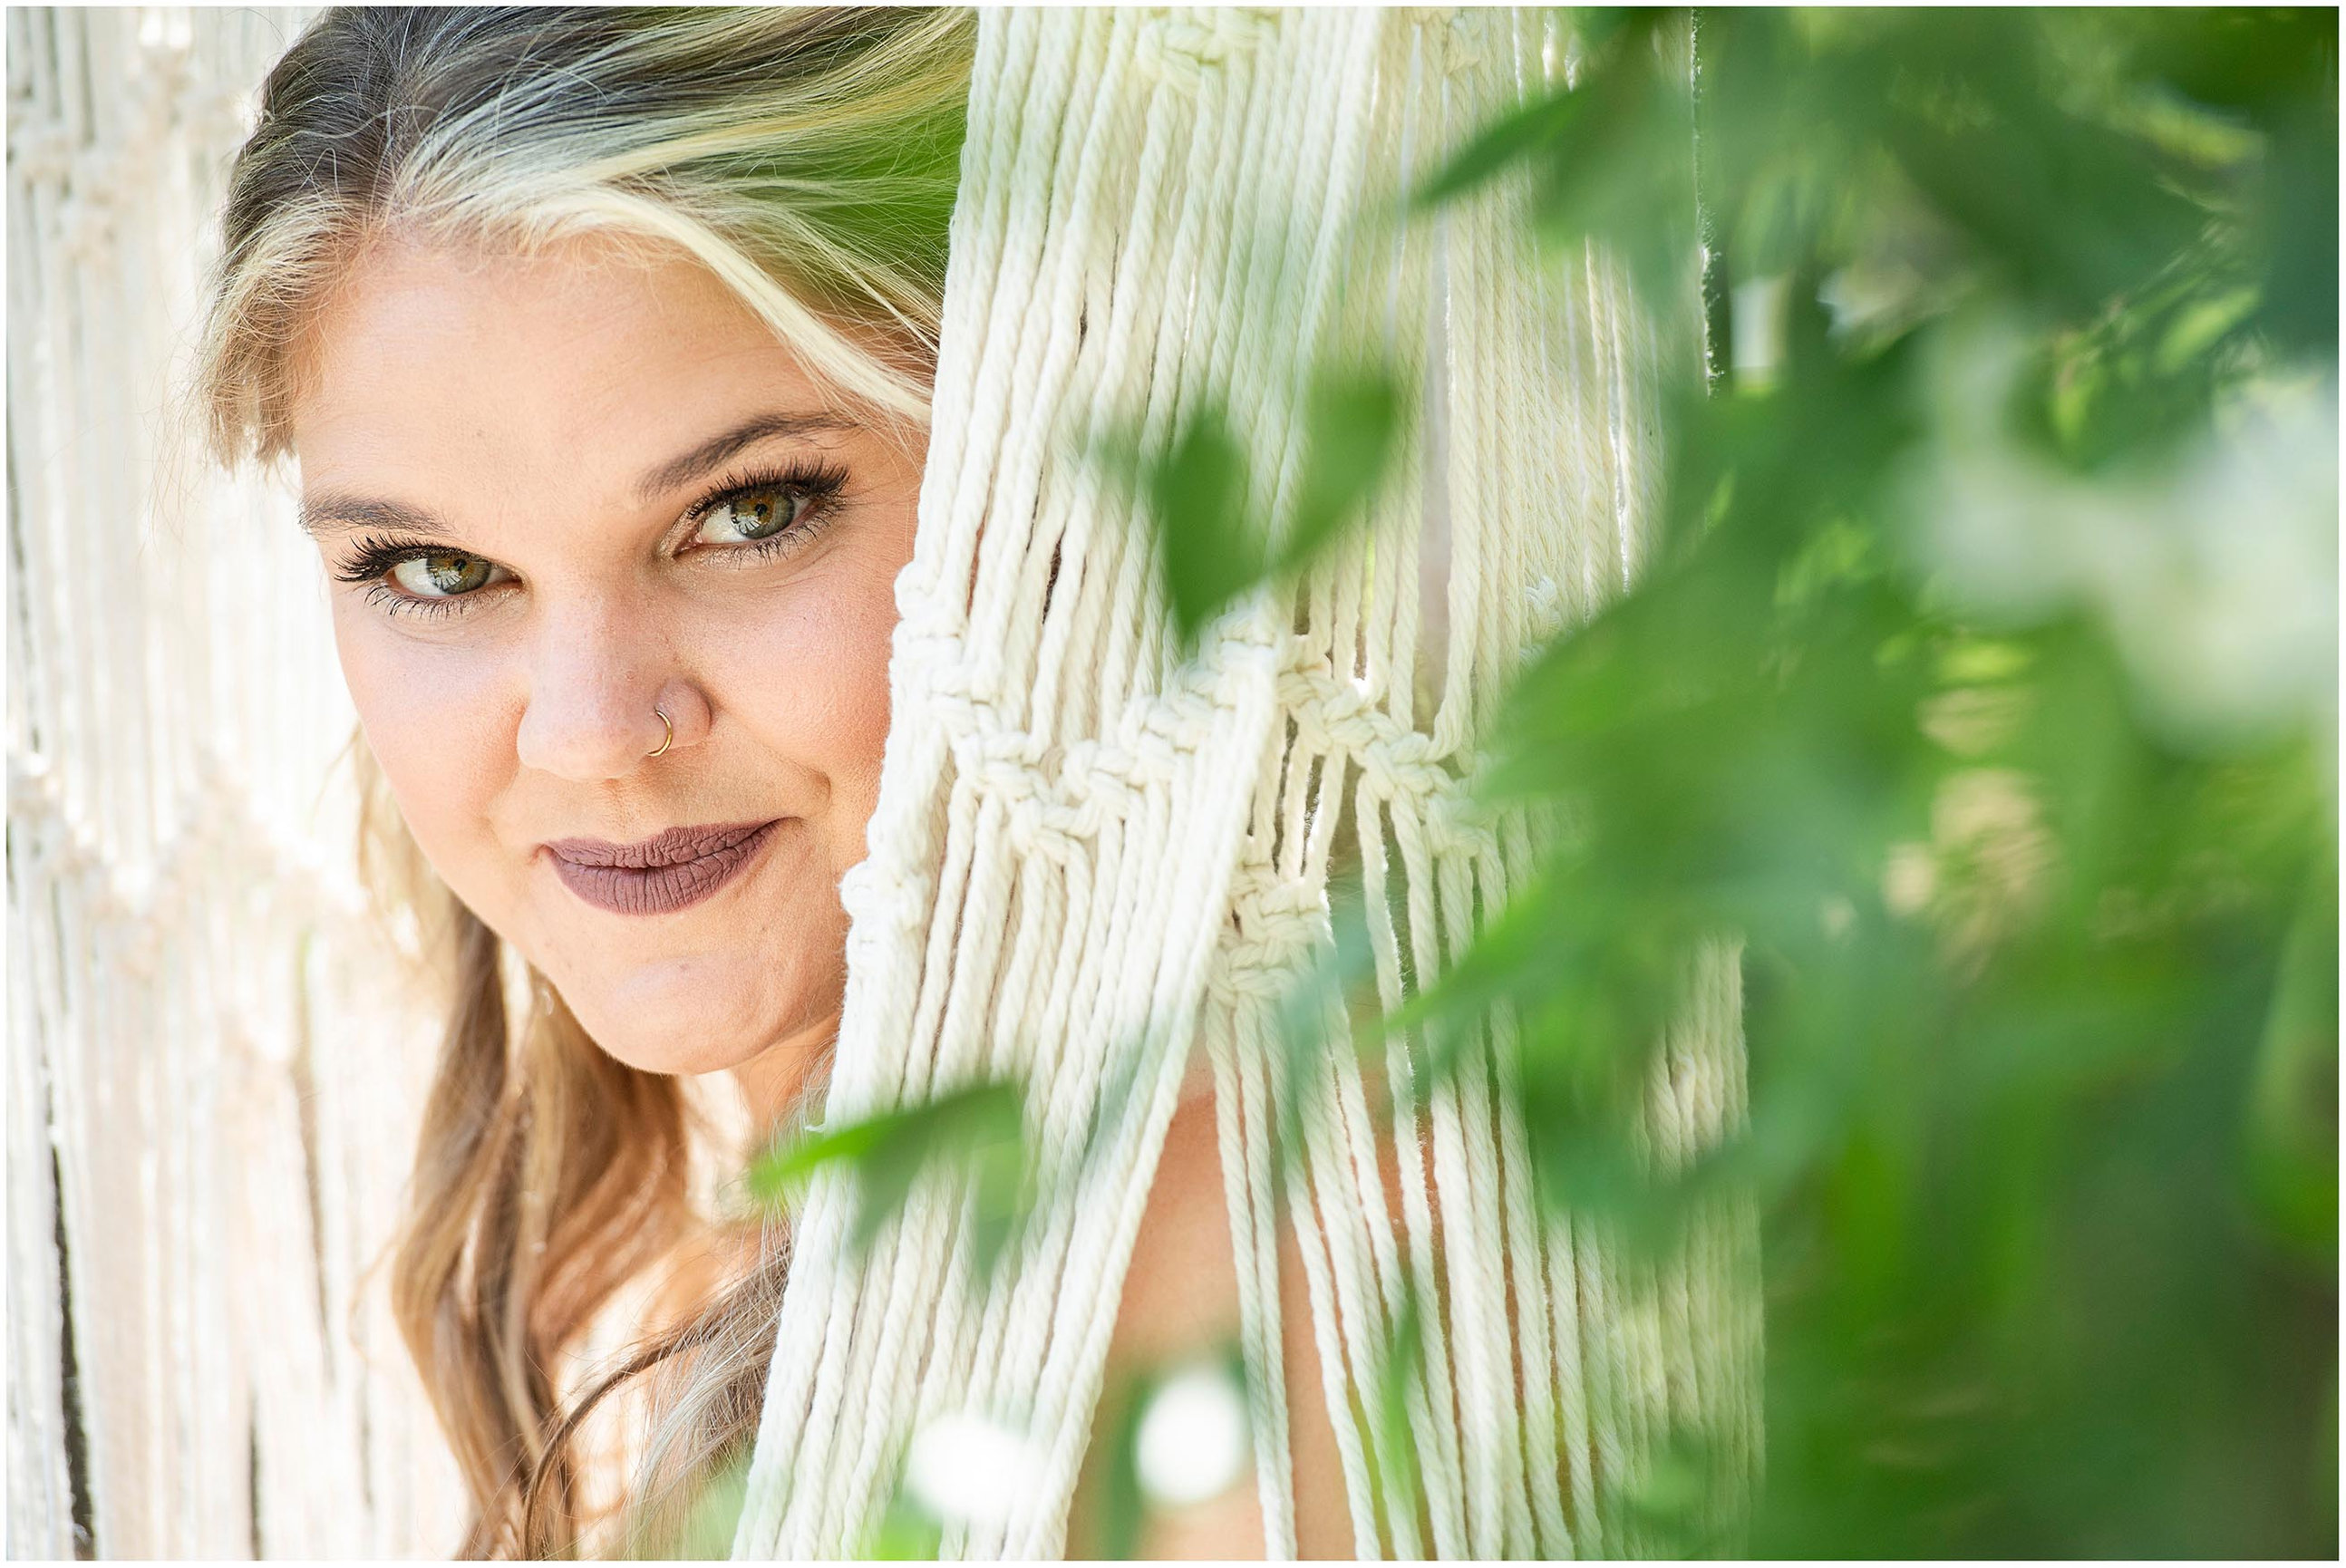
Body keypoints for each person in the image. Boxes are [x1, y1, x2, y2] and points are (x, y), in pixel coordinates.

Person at [191, 6, 1349, 1558]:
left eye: (751, 514)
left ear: (1062, 459)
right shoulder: (663, 1261)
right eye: (439, 567)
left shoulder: (1208, 1259)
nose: (593, 732)